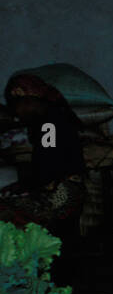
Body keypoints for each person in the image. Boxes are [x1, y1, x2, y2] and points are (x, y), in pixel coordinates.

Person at [0, 74, 87, 239]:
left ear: (28, 102)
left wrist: (25, 185)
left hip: (62, 195)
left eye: (16, 107)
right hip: (63, 190)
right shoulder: (51, 120)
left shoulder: (49, 125)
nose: (17, 114)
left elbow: (49, 164)